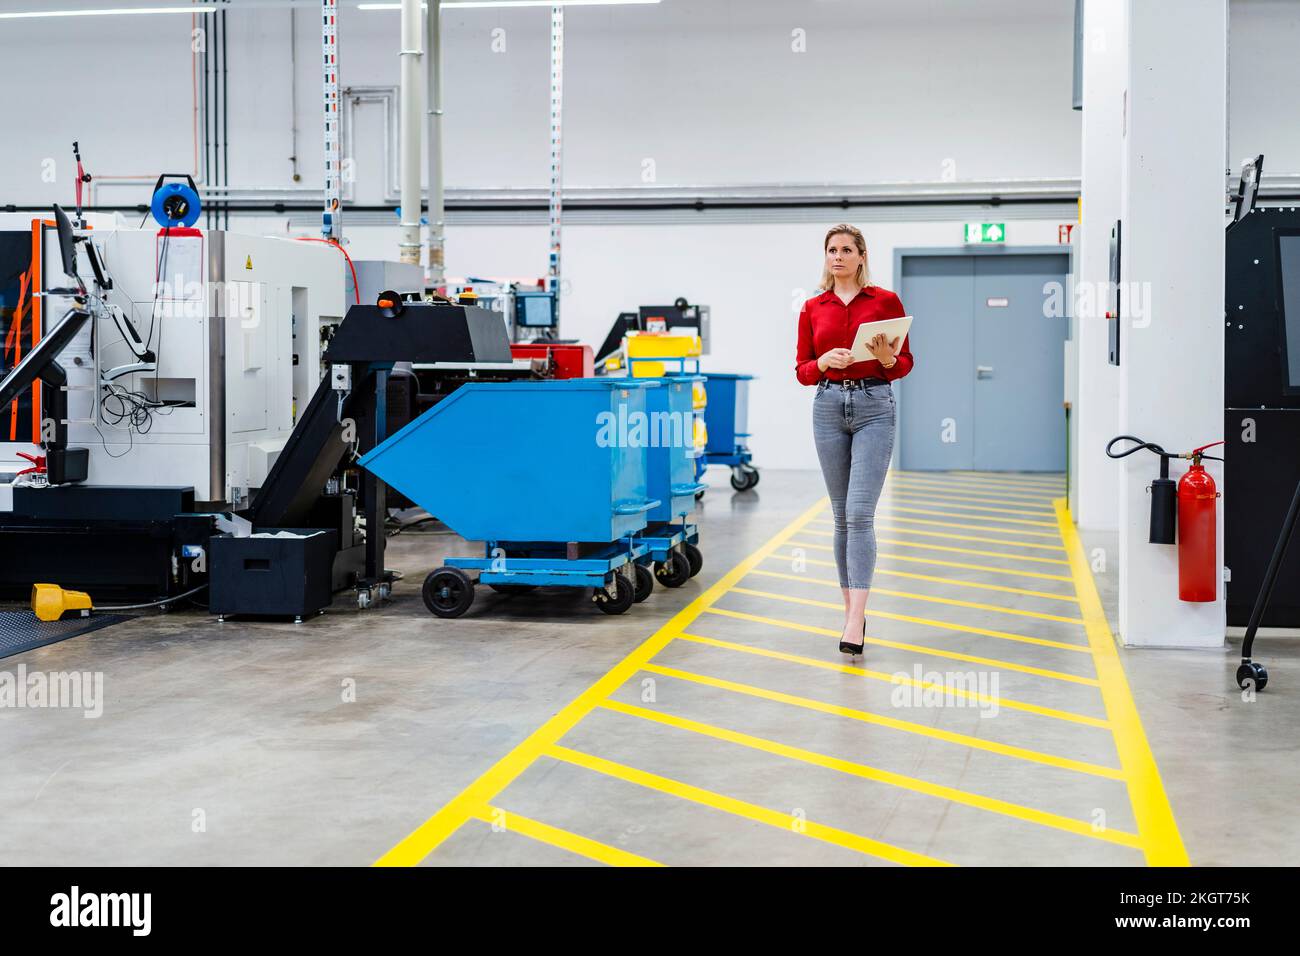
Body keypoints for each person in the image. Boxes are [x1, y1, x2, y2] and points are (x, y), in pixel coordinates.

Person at [794, 224, 914, 656]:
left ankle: (854, 620)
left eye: (847, 250)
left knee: (860, 513)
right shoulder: (813, 307)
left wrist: (887, 358)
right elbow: (802, 370)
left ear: (862, 256)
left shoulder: (885, 301)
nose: (838, 257)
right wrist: (823, 361)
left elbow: (905, 364)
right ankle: (853, 616)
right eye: (832, 250)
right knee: (841, 517)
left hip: (874, 405)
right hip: (828, 406)